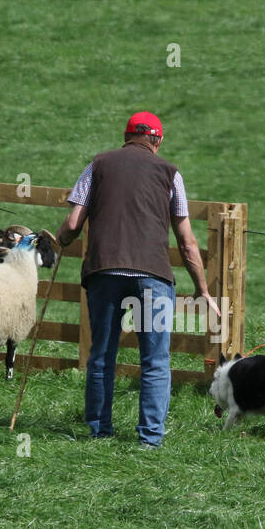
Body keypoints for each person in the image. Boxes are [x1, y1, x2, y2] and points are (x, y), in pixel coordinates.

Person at [56, 112, 220, 448]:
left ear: (126, 135)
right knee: (155, 360)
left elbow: (72, 224)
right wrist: (202, 290)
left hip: (105, 275)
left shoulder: (97, 165)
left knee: (101, 354)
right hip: (153, 277)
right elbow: (187, 241)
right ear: (157, 141)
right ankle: (150, 439)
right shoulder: (170, 174)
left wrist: (61, 241)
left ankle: (100, 432)